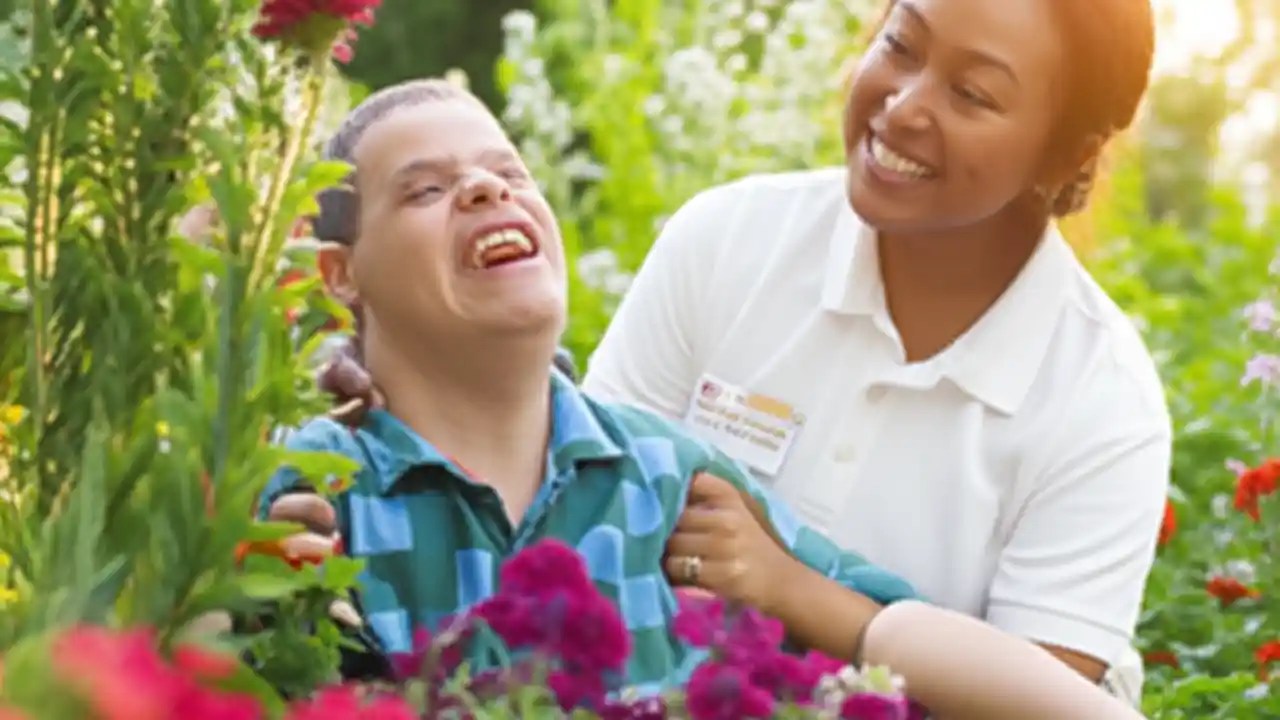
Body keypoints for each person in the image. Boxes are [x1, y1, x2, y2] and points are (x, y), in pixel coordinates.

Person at [261, 77, 1144, 719]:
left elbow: (893, 633)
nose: (489, 188)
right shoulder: (314, 498)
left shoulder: (673, 481)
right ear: (340, 275)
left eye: (509, 172)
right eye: (425, 188)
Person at [580, 0, 1170, 704]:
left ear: (1068, 153)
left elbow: (1035, 706)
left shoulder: (1102, 405)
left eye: (973, 94)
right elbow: (581, 511)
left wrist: (792, 588)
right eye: (901, 45)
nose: (904, 106)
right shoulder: (724, 243)